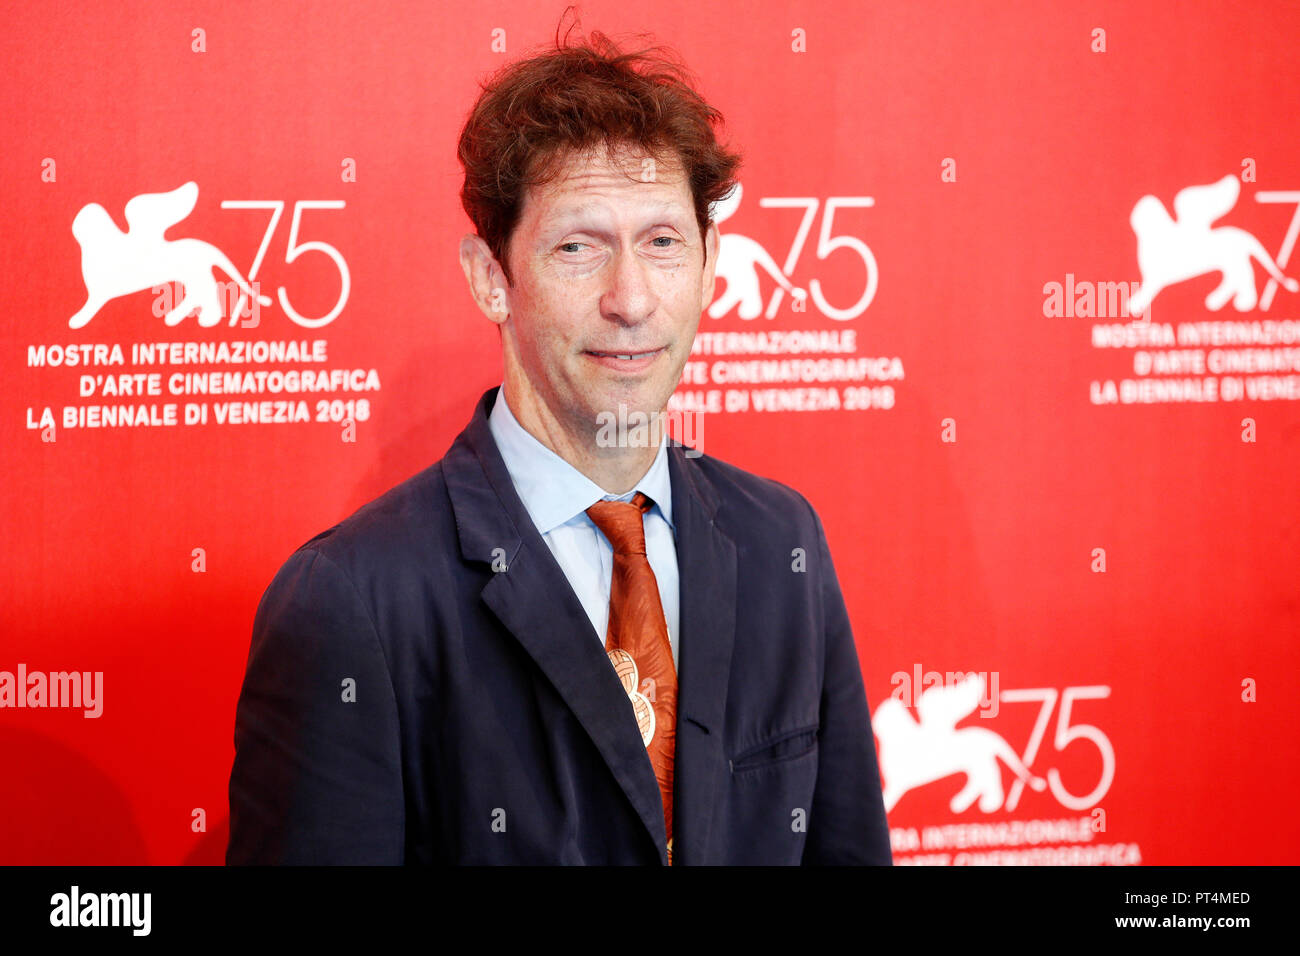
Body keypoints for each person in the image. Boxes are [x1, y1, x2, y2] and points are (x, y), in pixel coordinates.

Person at [226, 25, 892, 866]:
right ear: (489, 277)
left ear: (711, 263)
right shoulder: (356, 598)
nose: (632, 299)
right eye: (578, 248)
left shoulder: (781, 541)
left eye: (662, 243)